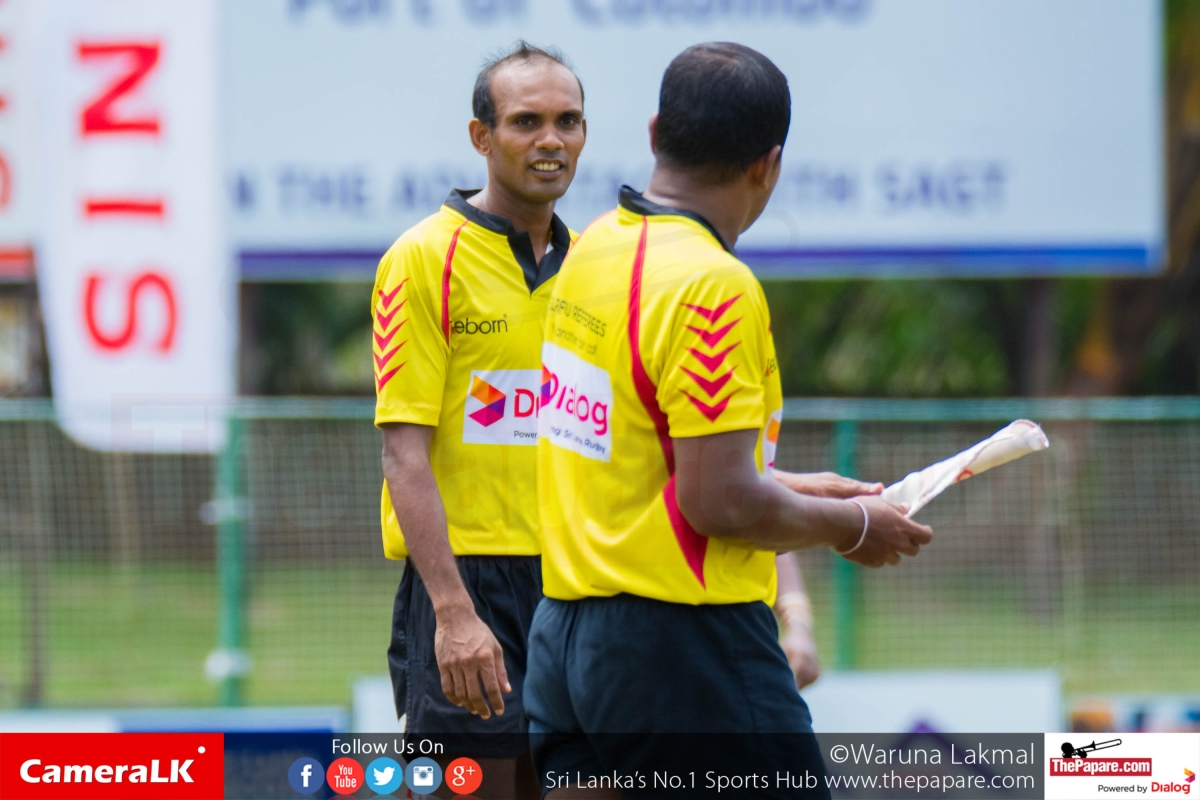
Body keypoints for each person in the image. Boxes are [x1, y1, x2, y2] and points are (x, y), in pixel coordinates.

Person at [528, 42, 933, 798]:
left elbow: (647, 452)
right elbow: (715, 504)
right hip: (683, 647)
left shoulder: (589, 252)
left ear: (655, 132)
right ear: (768, 165)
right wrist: (853, 528)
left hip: (566, 640)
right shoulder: (714, 285)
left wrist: (796, 489)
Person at [372, 41, 585, 799]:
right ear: (481, 136)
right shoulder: (425, 258)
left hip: (580, 588)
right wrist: (453, 613)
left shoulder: (596, 270)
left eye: (568, 121)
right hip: (471, 586)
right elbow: (404, 455)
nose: (551, 141)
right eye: (527, 121)